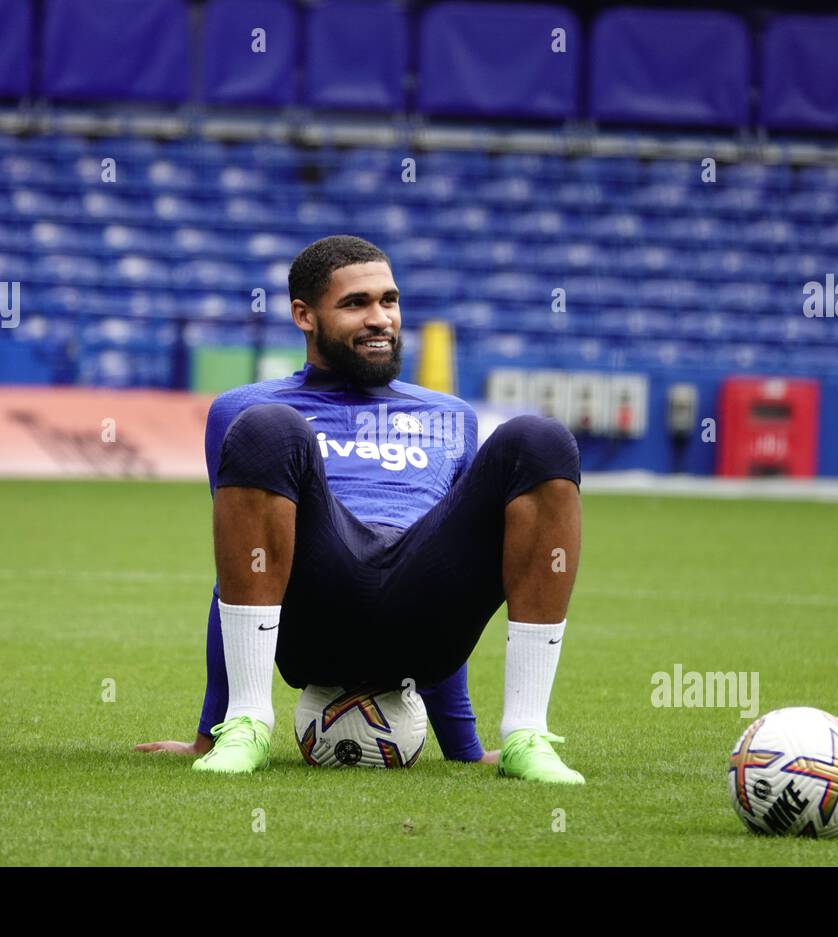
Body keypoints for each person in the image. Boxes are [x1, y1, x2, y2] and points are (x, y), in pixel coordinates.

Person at [137, 235, 585, 783]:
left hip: (425, 615)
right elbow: (241, 570)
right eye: (356, 304)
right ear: (304, 314)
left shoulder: (452, 416)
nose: (380, 319)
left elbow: (460, 560)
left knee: (538, 438)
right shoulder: (243, 410)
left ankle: (525, 736)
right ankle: (247, 725)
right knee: (269, 425)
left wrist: (464, 745)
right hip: (315, 616)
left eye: (389, 301)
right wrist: (209, 732)